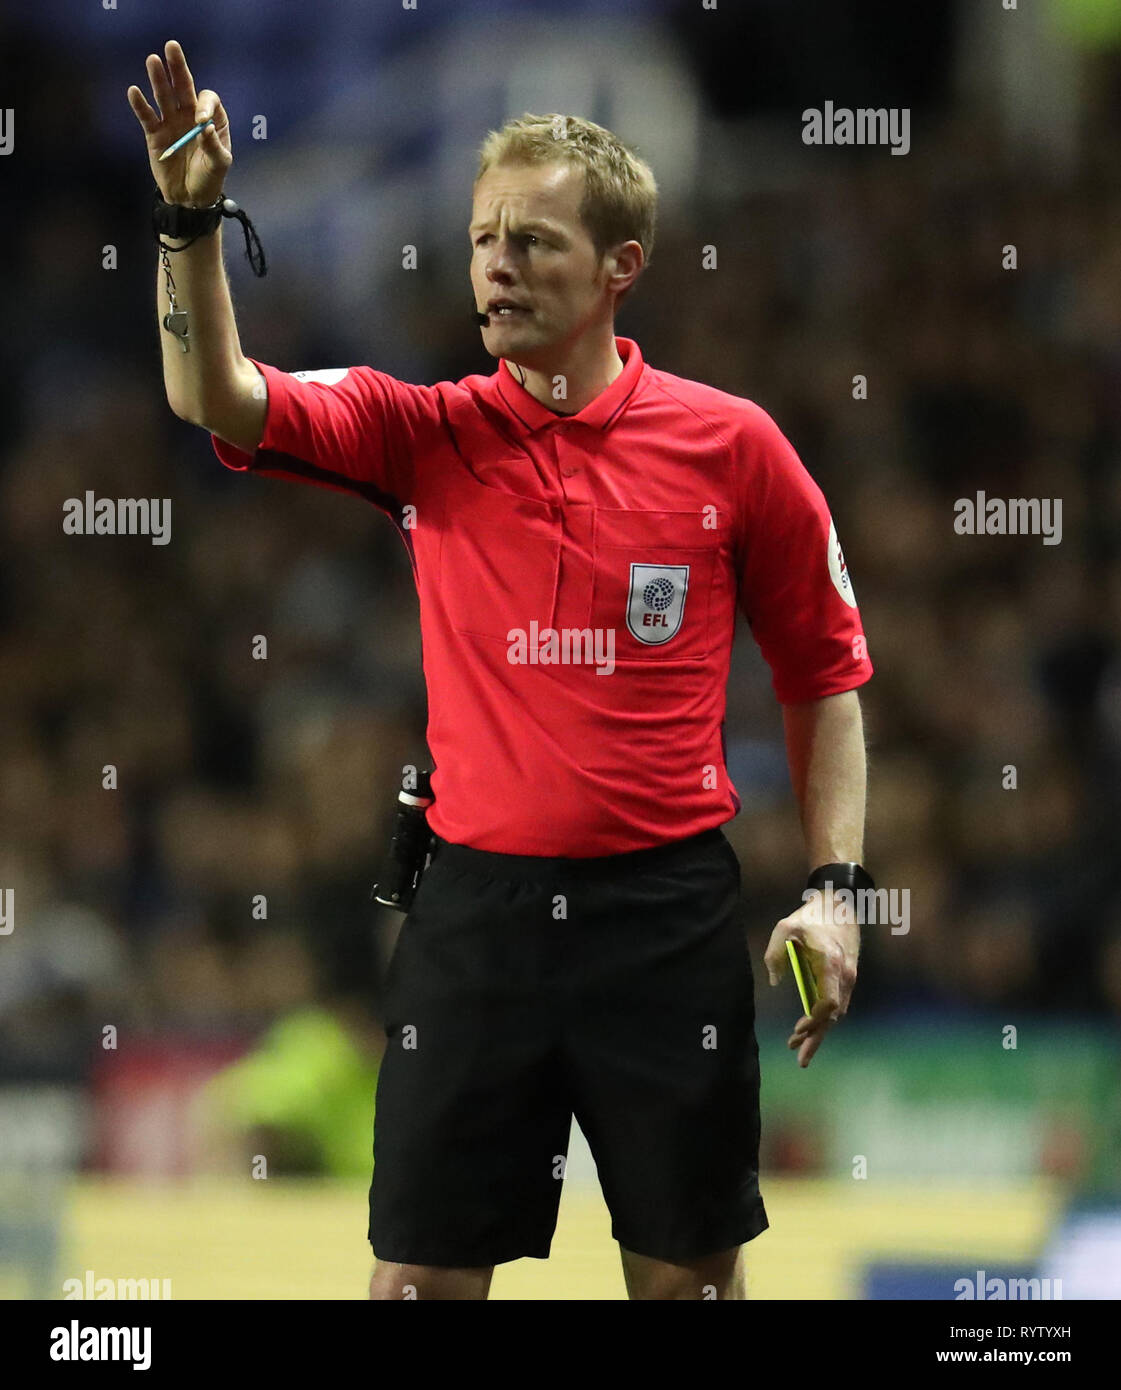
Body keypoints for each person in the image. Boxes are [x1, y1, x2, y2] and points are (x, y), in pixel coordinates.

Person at [128, 39, 874, 1302]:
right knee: (415, 1284)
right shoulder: (426, 432)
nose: (495, 265)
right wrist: (190, 220)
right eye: (482, 239)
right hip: (475, 921)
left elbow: (825, 677)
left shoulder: (733, 448)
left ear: (618, 267)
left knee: (689, 1286)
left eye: (533, 240)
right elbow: (216, 393)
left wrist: (836, 888)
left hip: (664, 919)